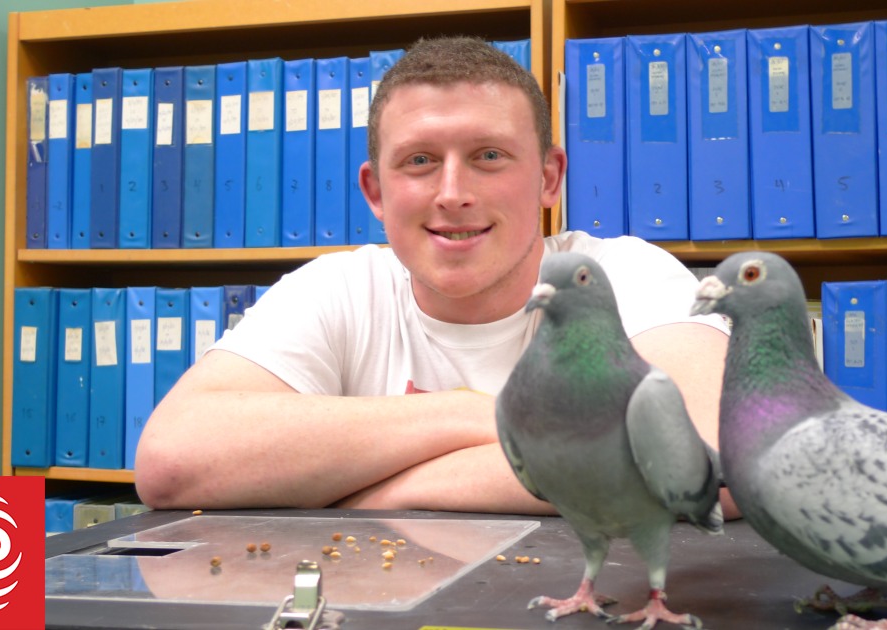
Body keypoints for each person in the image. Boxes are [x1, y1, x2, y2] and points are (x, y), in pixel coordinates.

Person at [135, 36, 737, 517]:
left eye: (489, 156)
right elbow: (171, 461)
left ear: (549, 178)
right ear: (375, 191)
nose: (453, 193)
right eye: (420, 160)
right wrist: (474, 415)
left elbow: (716, 460)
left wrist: (381, 492)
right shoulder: (338, 289)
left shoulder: (619, 275)